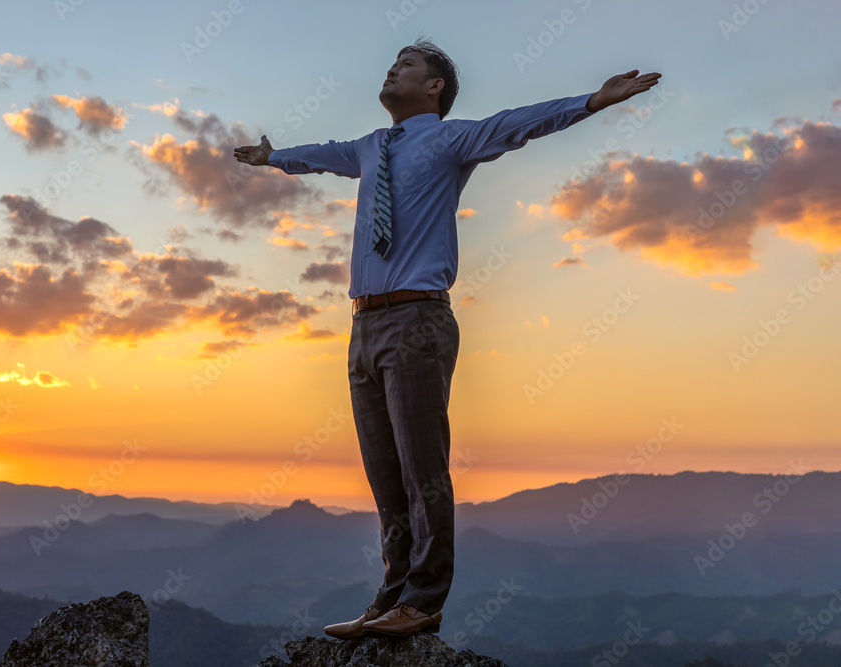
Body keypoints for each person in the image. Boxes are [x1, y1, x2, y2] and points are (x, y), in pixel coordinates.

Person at [234, 37, 661, 639]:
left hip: (417, 321)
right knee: (385, 475)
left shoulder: (451, 138)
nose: (391, 69)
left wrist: (593, 100)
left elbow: (519, 124)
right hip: (364, 326)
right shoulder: (370, 147)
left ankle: (425, 599)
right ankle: (391, 598)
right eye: (392, 62)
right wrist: (273, 158)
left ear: (434, 87)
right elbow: (323, 154)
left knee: (421, 469)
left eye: (406, 65)